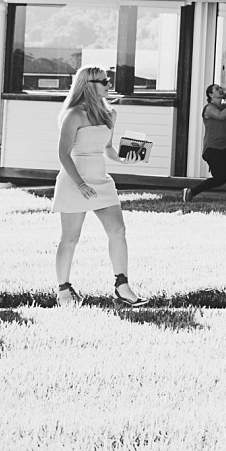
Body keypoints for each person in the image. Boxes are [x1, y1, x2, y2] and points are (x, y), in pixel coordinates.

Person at [51, 67, 145, 307]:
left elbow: (108, 149)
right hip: (75, 180)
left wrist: (124, 159)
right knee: (70, 238)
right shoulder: (73, 114)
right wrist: (80, 184)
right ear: (87, 84)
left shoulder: (110, 113)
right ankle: (63, 290)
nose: (108, 82)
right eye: (102, 80)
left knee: (118, 231)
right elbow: (63, 154)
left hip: (101, 179)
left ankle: (122, 286)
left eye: (107, 79)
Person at [183, 83, 226, 203]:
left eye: (220, 88)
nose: (220, 90)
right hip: (213, 148)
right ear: (210, 94)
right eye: (217, 89)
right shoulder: (209, 108)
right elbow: (221, 116)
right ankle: (191, 191)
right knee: (220, 178)